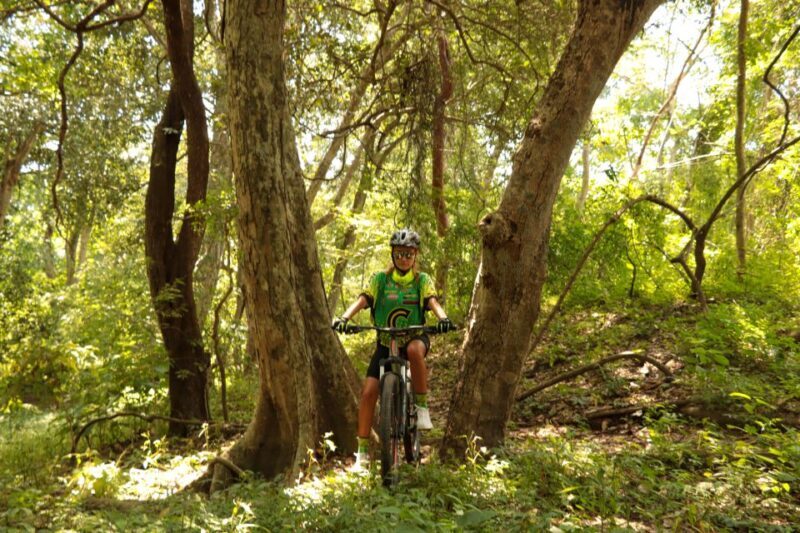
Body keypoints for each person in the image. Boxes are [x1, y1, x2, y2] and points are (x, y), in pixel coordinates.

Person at [332, 228, 455, 467]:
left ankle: (421, 408)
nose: (404, 259)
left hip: (414, 338)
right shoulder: (380, 280)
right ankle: (363, 453)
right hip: (386, 342)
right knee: (368, 393)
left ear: (415, 255)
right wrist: (344, 318)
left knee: (413, 351)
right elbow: (363, 299)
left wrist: (443, 319)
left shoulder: (422, 280)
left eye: (409, 254)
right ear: (393, 255)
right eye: (399, 254)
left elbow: (432, 302)